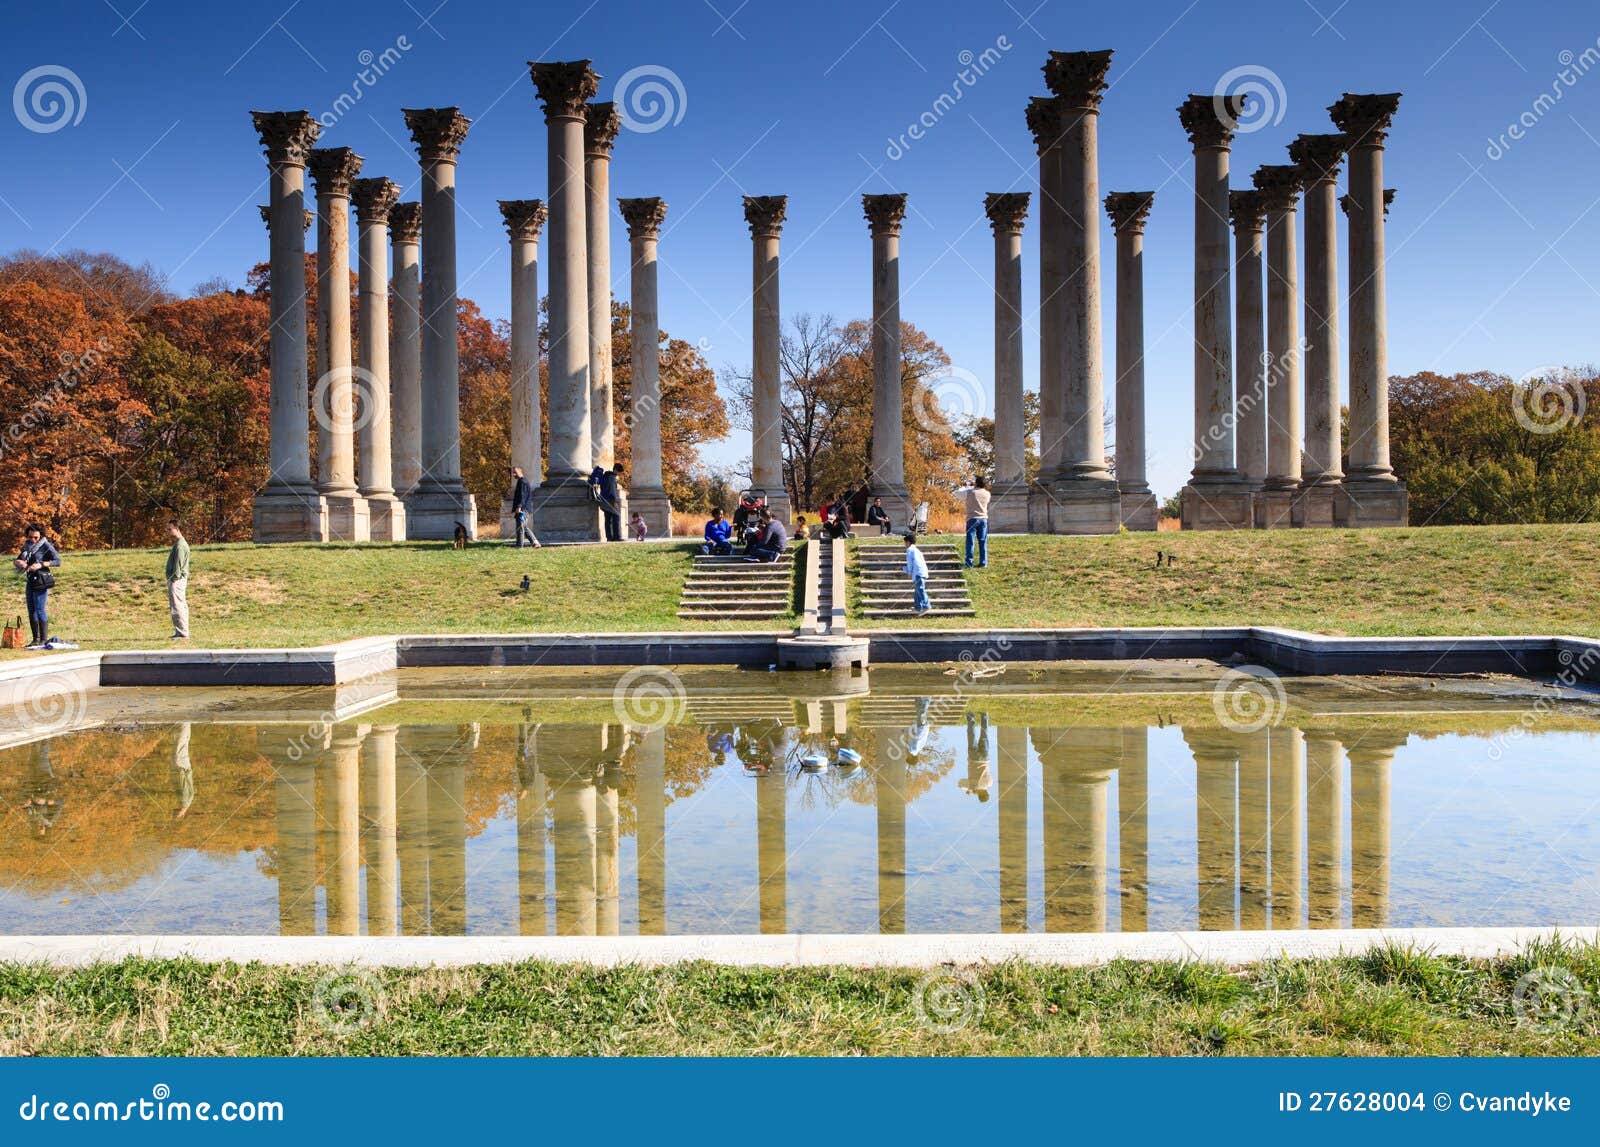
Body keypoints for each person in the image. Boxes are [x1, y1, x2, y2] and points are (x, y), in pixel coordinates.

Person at [14, 523, 60, 649]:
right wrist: (19, 562)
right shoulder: (27, 546)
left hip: (41, 580)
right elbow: (18, 559)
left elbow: (57, 561)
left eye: (35, 537)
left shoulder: (46, 545)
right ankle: (35, 639)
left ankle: (44, 639)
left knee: (40, 609)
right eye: (30, 537)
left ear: (40, 536)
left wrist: (41, 564)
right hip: (30, 580)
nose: (33, 540)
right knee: (31, 610)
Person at [958, 475, 992, 568]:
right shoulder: (987, 493)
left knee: (970, 542)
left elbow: (957, 493)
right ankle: (983, 562)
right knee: (982, 541)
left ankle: (969, 563)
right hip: (984, 519)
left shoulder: (970, 492)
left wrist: (966, 486)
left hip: (972, 518)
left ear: (976, 482)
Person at [165, 519, 190, 641]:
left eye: (170, 529)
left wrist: (173, 579)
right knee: (180, 605)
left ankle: (182, 633)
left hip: (177, 580)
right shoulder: (180, 543)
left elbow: (178, 566)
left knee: (177, 606)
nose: (168, 532)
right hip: (178, 579)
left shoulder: (180, 545)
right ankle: (181, 631)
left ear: (177, 529)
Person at [508, 466, 541, 548]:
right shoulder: (521, 481)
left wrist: (519, 506)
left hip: (523, 509)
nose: (513, 474)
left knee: (520, 528)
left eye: (515, 472)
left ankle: (519, 546)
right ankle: (535, 542)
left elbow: (523, 496)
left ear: (520, 472)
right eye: (513, 472)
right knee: (524, 527)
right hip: (524, 508)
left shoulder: (523, 482)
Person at [904, 531, 930, 614]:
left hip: (918, 573)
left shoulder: (909, 550)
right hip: (921, 572)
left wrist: (908, 572)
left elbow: (910, 563)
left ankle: (926, 606)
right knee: (917, 590)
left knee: (920, 589)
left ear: (908, 542)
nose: (904, 545)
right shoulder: (916, 550)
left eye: (905, 543)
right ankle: (918, 607)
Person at [600, 468, 623, 542]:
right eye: (619, 472)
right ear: (616, 470)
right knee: (616, 517)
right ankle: (616, 537)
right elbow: (612, 491)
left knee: (608, 520)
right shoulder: (612, 478)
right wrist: (615, 502)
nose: (618, 474)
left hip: (604, 500)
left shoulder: (605, 476)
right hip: (610, 501)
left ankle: (609, 537)